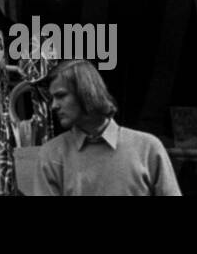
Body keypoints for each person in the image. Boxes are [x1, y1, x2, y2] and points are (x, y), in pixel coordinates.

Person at [36, 59, 180, 196]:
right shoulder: (51, 155)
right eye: (52, 98)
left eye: (61, 96)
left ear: (86, 92)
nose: (54, 106)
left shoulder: (148, 147)